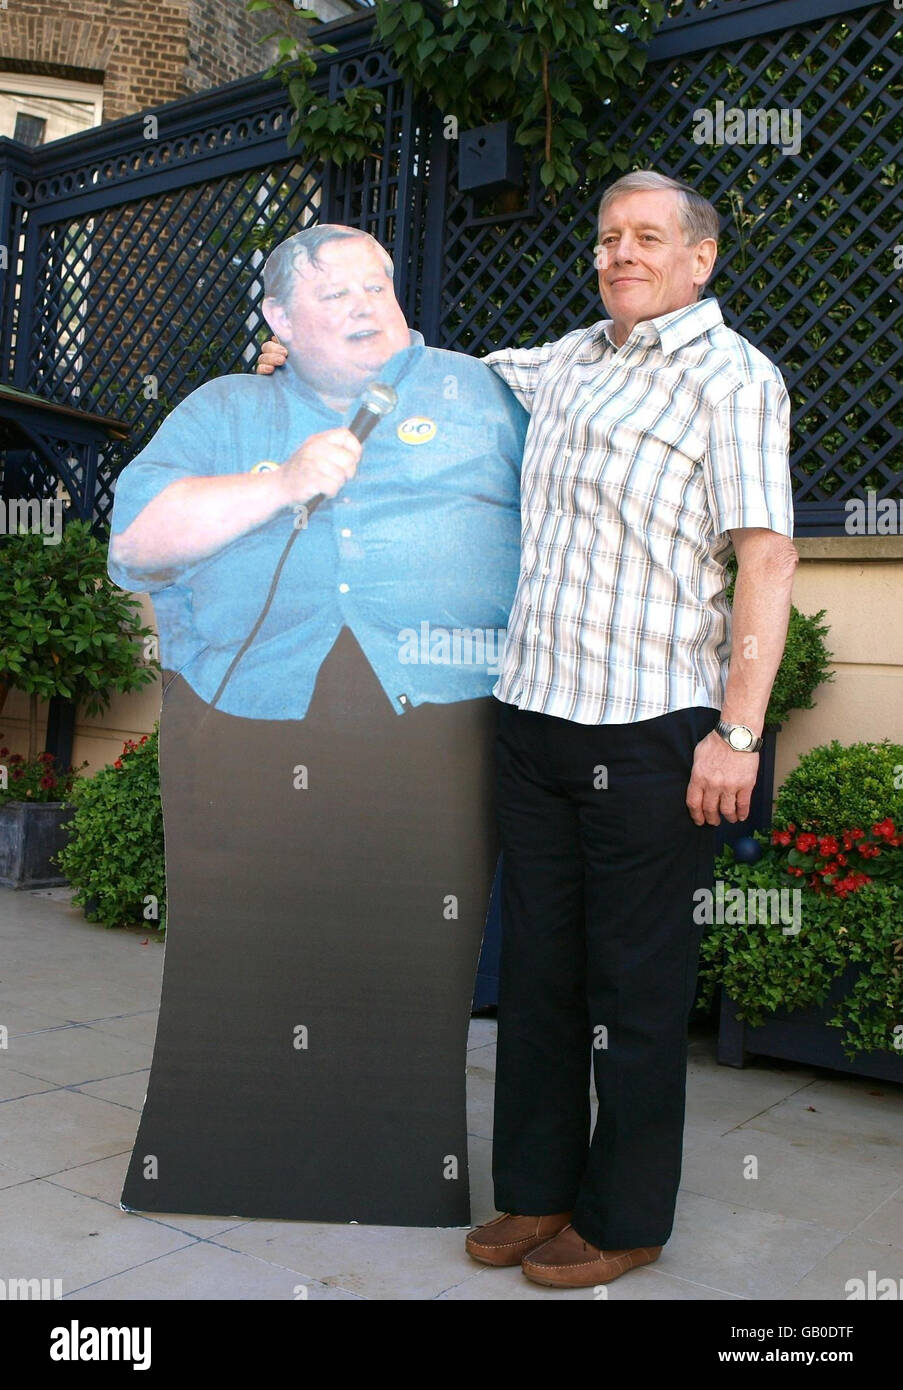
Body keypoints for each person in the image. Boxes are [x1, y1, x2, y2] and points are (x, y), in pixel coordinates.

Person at [260, 170, 798, 1286]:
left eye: (649, 237)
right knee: (544, 978)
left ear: (702, 258)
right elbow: (425, 375)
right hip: (538, 720)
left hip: (655, 730)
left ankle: (626, 1213)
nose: (622, 254)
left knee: (636, 990)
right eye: (608, 237)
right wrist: (312, 362)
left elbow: (766, 558)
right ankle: (539, 1192)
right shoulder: (561, 364)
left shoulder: (733, 379)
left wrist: (736, 733)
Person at [108, 225, 527, 1225]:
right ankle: (224, 1158)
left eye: (376, 282)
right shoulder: (227, 405)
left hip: (436, 724)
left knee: (406, 950)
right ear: (279, 323)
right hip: (248, 716)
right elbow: (135, 538)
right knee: (250, 948)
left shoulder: (483, 392)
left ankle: (399, 1170)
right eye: (332, 290)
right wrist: (280, 481)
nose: (361, 302)